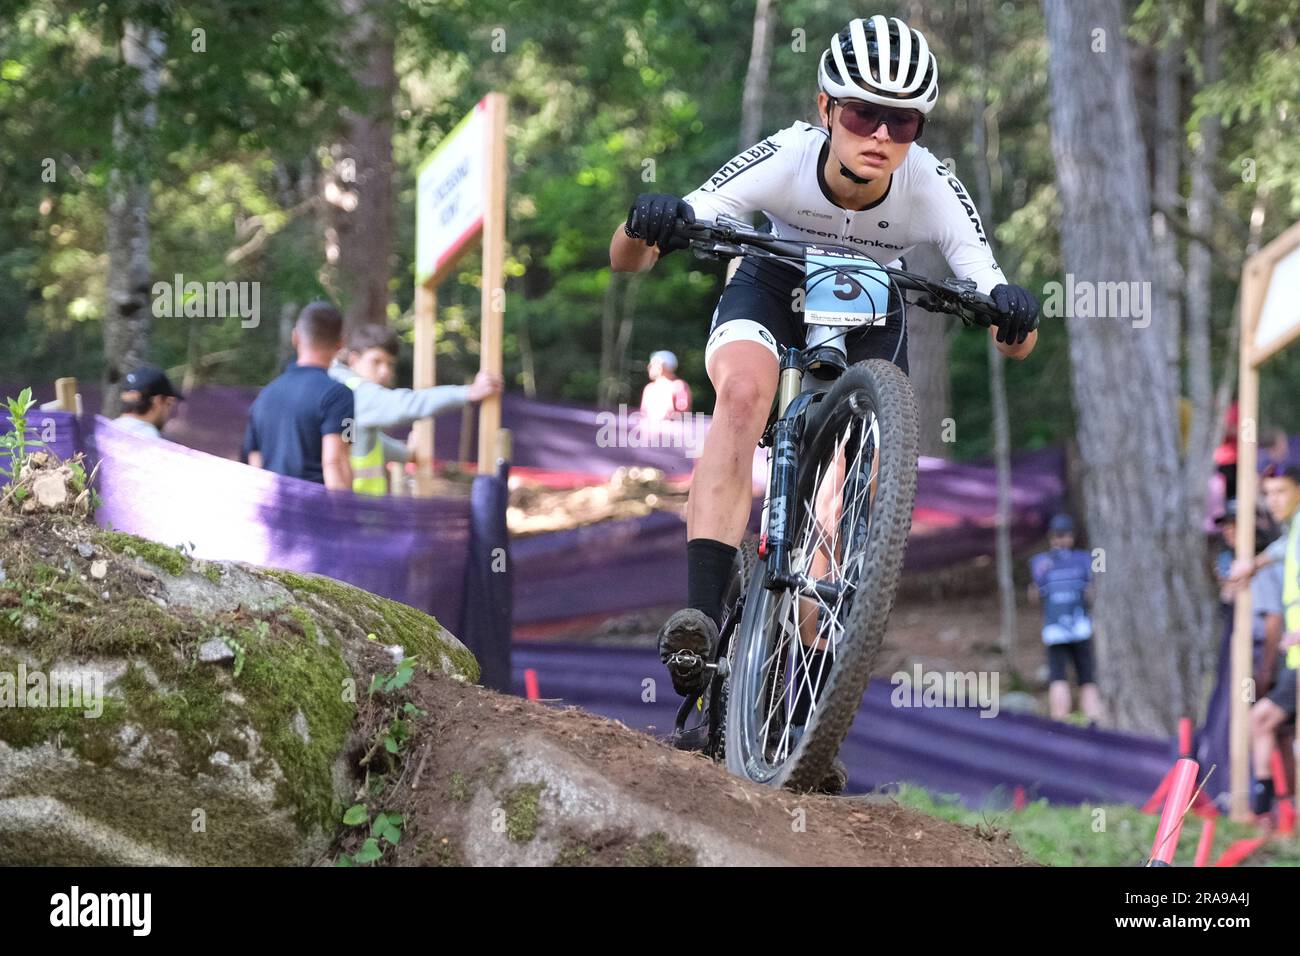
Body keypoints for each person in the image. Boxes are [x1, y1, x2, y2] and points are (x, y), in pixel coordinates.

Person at [610, 15, 1040, 759]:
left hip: (873, 303)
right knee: (743, 394)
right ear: (825, 110)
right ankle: (700, 616)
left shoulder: (929, 183)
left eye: (901, 121)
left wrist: (1015, 311)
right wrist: (644, 222)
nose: (879, 135)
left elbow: (1014, 330)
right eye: (861, 113)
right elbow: (630, 259)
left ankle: (804, 707)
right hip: (773, 282)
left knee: (837, 507)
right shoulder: (786, 157)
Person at [327, 324, 504, 495]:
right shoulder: (358, 393)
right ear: (353, 360)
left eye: (389, 364)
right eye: (376, 361)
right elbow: (408, 404)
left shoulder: (336, 386)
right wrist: (468, 392)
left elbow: (365, 441)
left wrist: (406, 453)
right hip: (356, 512)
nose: (384, 371)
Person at [1230, 465, 1300, 817]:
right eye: (1268, 493)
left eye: (1281, 492)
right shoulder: (1293, 532)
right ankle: (1282, 808)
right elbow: (1283, 547)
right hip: (1294, 659)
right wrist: (1253, 564)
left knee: (1260, 721)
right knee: (1281, 731)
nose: (1273, 501)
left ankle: (1263, 809)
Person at [243, 301, 353, 490]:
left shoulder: (265, 395)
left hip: (272, 510)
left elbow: (254, 458)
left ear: (296, 337)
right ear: (341, 343)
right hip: (315, 514)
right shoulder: (340, 396)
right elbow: (336, 462)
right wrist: (344, 515)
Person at [1028, 514, 1102, 723]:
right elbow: (1091, 591)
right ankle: (1092, 721)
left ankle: (1059, 722)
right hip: (1081, 628)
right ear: (1071, 536)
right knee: (1087, 677)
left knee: (1058, 677)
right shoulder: (1085, 559)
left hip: (1054, 630)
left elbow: (1034, 595)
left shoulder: (1041, 562)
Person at [107, 365, 183, 441]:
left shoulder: (104, 432)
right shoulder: (152, 442)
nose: (168, 412)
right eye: (169, 403)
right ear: (158, 400)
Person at [639, 350, 692, 425]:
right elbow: (643, 415)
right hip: (649, 433)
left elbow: (682, 414)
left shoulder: (678, 386)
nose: (649, 367)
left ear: (664, 366)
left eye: (653, 364)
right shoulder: (649, 388)